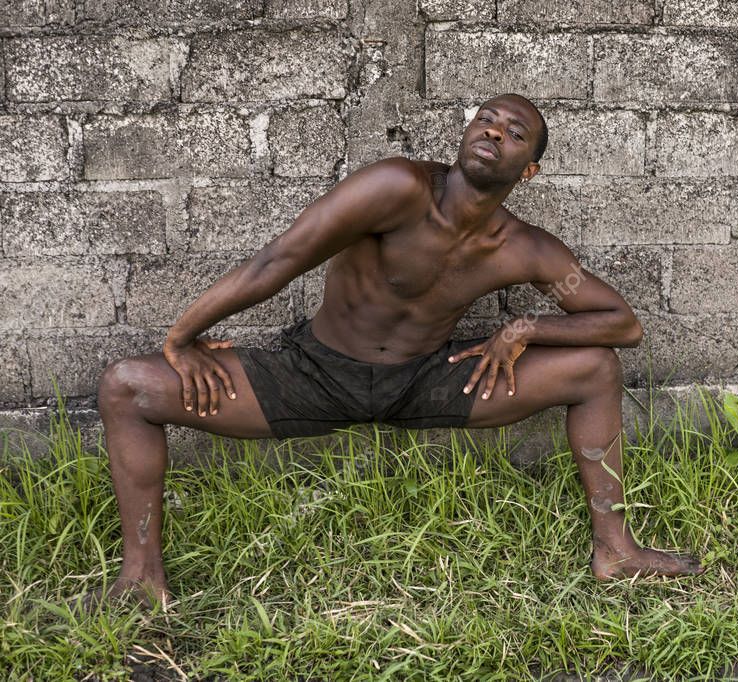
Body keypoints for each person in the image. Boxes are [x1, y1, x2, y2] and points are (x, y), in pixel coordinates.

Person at [92, 93, 703, 609]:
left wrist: (525, 329)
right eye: (487, 119)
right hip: (311, 373)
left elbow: (620, 324)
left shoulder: (523, 247)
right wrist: (182, 336)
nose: (495, 130)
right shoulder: (396, 187)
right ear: (466, 133)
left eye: (516, 133)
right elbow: (276, 262)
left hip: (430, 380)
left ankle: (616, 551)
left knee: (596, 367)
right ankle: (142, 575)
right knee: (127, 385)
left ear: (529, 171)